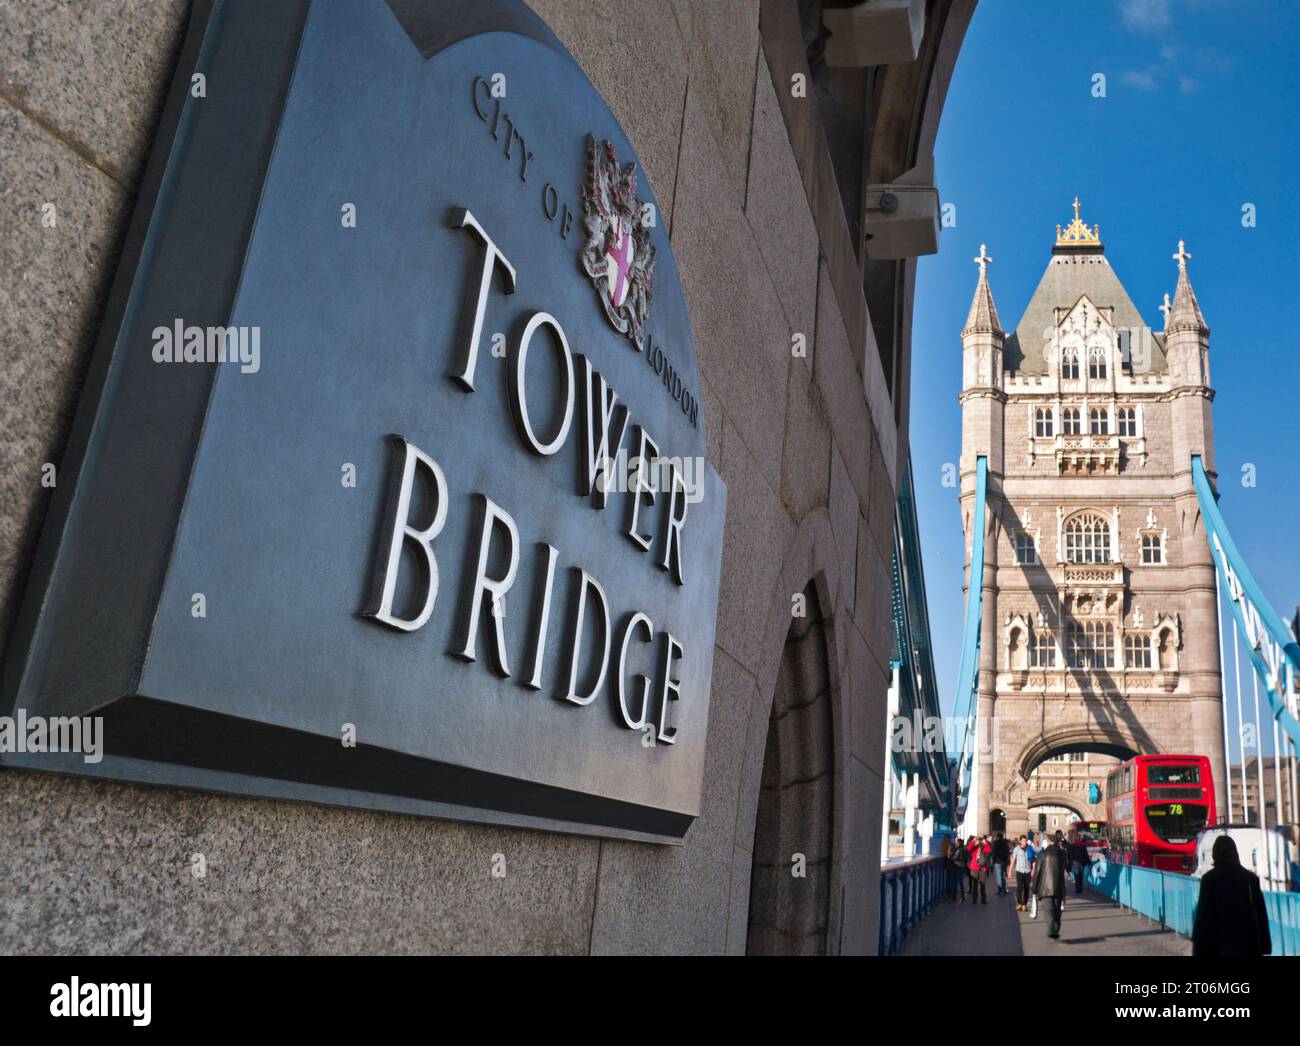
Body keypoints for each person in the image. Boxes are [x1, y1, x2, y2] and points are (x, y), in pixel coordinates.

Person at [1192, 836, 1272, 957]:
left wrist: (1199, 949)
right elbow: (1260, 916)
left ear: (1215, 854)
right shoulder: (1250, 879)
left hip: (1217, 947)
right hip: (1247, 946)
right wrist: (1264, 947)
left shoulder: (1209, 880)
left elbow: (1203, 917)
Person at [1033, 830, 1067, 939]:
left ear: (1049, 842)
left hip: (1044, 887)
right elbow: (1067, 868)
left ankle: (1051, 930)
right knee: (1057, 909)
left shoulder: (1042, 854)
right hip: (1059, 887)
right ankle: (1055, 930)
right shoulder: (1063, 854)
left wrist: (1034, 889)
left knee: (1049, 909)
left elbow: (1037, 872)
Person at [1011, 834, 1034, 911]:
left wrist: (1033, 870)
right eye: (1023, 841)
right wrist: (1010, 871)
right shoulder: (1016, 849)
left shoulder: (1030, 849)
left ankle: (1024, 904)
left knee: (1027, 888)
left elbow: (1033, 860)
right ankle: (1019, 903)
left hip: (1028, 871)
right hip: (1019, 871)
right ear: (1020, 841)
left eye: (1025, 841)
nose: (1024, 842)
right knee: (1019, 888)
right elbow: (1013, 860)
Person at [967, 834, 991, 904]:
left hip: (982, 868)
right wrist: (973, 842)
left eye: (979, 840)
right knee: (975, 884)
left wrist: (985, 843)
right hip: (974, 868)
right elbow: (968, 849)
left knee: (982, 884)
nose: (979, 842)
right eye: (978, 840)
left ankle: (983, 900)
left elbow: (989, 851)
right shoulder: (974, 848)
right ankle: (975, 899)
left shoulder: (984, 847)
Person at [992, 832, 1011, 896]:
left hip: (998, 861)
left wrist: (993, 861)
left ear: (997, 837)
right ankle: (1004, 889)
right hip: (1004, 862)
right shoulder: (1005, 843)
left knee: (999, 877)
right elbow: (1008, 852)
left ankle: (1000, 891)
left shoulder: (996, 843)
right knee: (1003, 876)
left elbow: (994, 852)